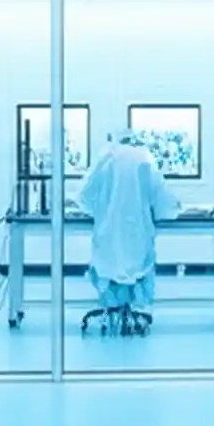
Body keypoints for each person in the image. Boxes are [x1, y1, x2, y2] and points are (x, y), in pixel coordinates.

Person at [77, 129, 181, 322]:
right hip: (137, 242)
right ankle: (132, 307)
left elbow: (84, 198)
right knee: (137, 263)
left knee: (109, 265)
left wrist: (102, 211)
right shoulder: (145, 160)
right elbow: (165, 204)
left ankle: (112, 306)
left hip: (106, 243)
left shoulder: (105, 159)